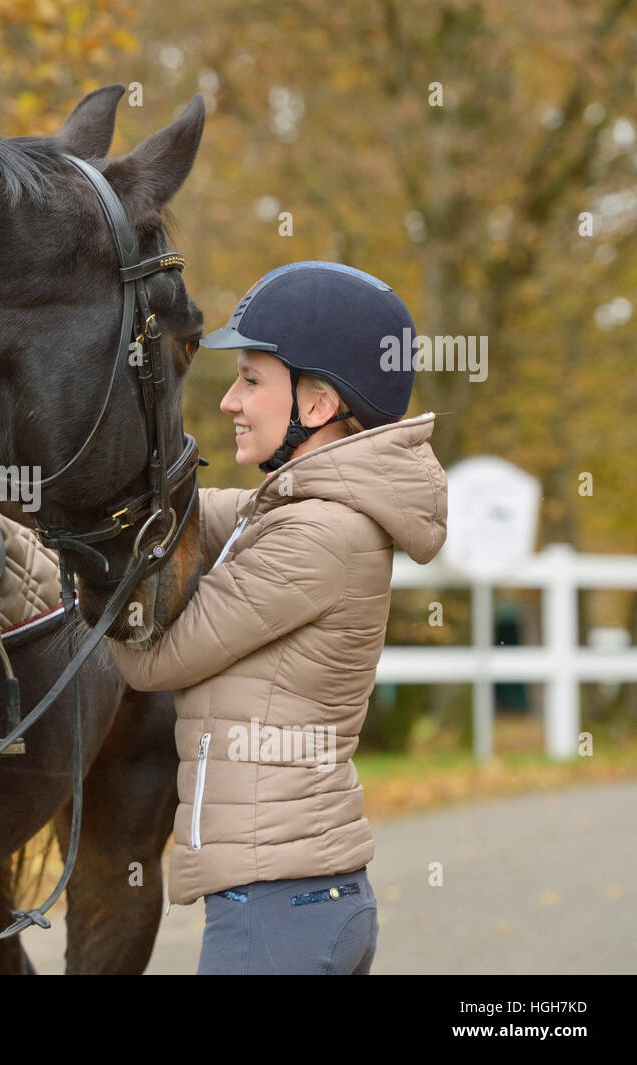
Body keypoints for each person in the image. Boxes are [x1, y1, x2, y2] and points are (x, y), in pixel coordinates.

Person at [104, 261, 448, 975]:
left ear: (317, 404)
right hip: (293, 901)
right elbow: (190, 511)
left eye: (252, 379)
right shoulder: (292, 508)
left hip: (277, 909)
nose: (230, 401)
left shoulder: (317, 536)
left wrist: (86, 590)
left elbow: (155, 661)